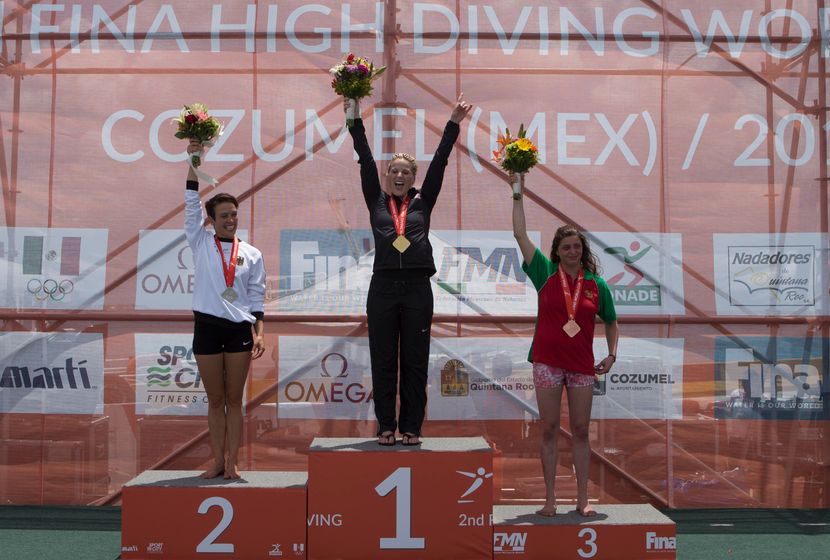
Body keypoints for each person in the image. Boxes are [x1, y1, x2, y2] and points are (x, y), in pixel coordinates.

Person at [346, 94, 473, 446]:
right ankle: (386, 425)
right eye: (395, 171)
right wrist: (354, 116)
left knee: (415, 362)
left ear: (413, 176)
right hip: (383, 287)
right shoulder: (376, 199)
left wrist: (453, 123)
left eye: (406, 171)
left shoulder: (423, 201)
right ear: (388, 177)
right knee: (383, 359)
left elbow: (441, 164)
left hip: (417, 287)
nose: (400, 175)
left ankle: (412, 427)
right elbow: (365, 160)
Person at [511, 179, 619, 516]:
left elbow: (612, 321)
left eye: (577, 247)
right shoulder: (543, 271)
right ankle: (550, 499)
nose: (572, 251)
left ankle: (583, 499)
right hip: (547, 362)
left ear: (582, 250)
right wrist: (517, 191)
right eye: (566, 247)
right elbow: (520, 235)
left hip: (582, 365)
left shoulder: (596, 284)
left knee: (582, 430)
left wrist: (612, 354)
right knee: (548, 429)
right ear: (557, 251)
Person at [184, 140, 266, 479]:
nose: (231, 220)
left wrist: (259, 333)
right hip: (206, 326)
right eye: (225, 215)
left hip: (238, 331)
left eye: (234, 214)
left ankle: (232, 462)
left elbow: (257, 297)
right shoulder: (199, 241)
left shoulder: (251, 253)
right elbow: (190, 198)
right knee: (214, 400)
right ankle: (217, 460)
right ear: (211, 220)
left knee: (235, 400)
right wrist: (194, 156)